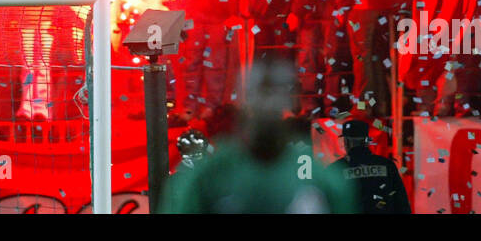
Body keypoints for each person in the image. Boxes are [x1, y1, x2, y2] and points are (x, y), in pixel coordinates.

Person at [160, 59, 355, 214]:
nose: (267, 103)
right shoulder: (208, 174)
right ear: (246, 98)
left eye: (275, 92)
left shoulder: (324, 178)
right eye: (261, 92)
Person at [329, 118, 410, 214]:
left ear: (346, 142)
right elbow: (402, 204)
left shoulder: (336, 169)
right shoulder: (387, 165)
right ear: (367, 141)